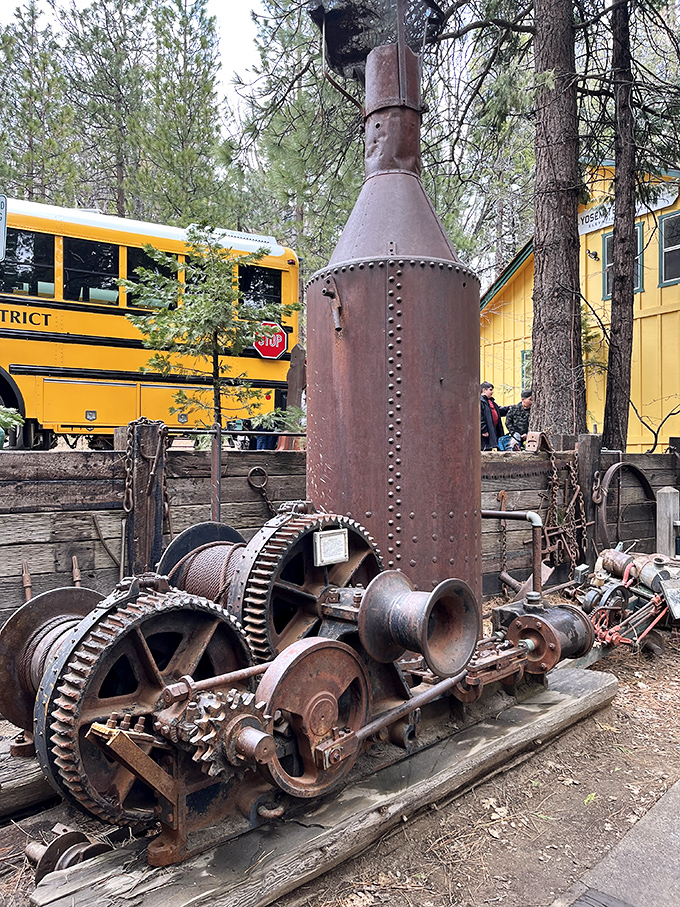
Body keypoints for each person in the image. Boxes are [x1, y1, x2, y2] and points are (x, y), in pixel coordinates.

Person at [480, 382, 508, 450]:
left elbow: (498, 410)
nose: (492, 392)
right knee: (485, 448)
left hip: (493, 429)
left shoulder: (491, 402)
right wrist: (483, 430)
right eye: (490, 390)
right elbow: (480, 417)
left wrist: (509, 408)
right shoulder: (481, 402)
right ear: (484, 390)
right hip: (486, 432)